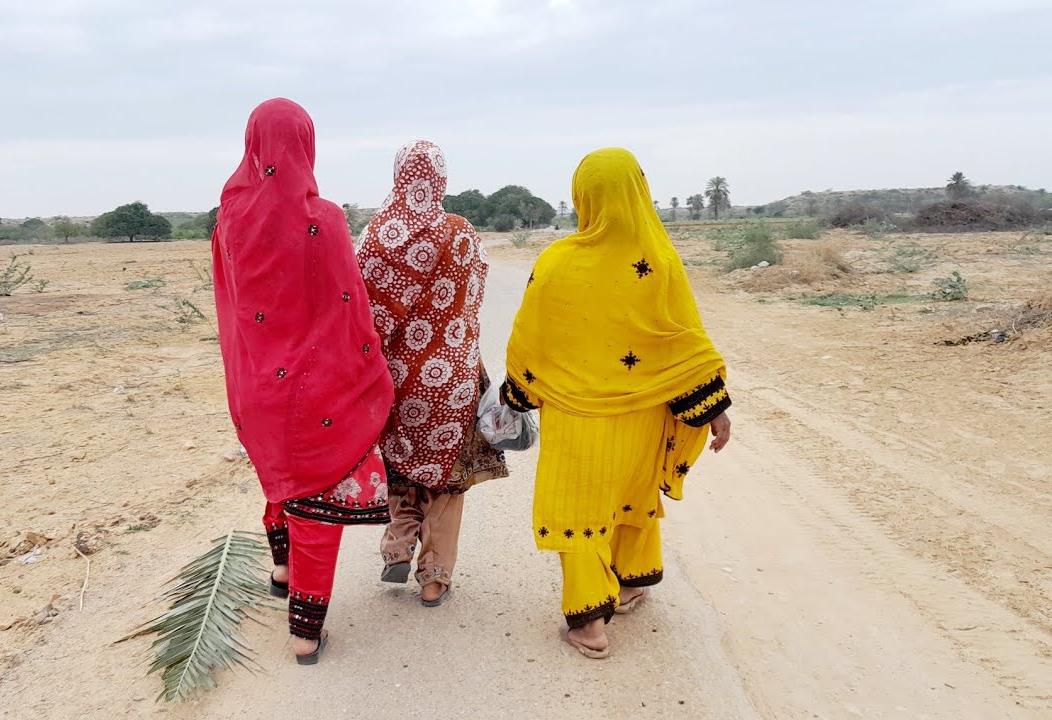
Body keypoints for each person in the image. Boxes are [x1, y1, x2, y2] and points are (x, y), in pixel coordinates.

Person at [501, 148, 734, 658]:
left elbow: (531, 339)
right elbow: (680, 341)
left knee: (577, 509)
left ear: (582, 196)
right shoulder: (660, 261)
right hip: (643, 413)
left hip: (576, 418)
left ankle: (590, 625)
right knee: (632, 493)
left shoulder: (558, 261)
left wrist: (515, 393)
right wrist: (713, 408)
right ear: (639, 192)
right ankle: (629, 582)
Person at [212, 98, 395, 664]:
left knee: (281, 477)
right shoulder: (326, 220)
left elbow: (234, 306)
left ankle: (282, 569)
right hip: (318, 388)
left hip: (257, 388)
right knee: (318, 498)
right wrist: (371, 366)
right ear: (307, 144)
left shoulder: (228, 220)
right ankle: (305, 634)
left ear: (253, 145)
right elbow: (350, 305)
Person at [357, 140, 507, 607]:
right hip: (453, 378)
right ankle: (434, 579)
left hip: (397, 379)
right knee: (446, 479)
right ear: (440, 179)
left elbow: (361, 312)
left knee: (400, 464)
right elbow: (474, 298)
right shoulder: (462, 232)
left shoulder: (378, 234)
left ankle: (398, 543)